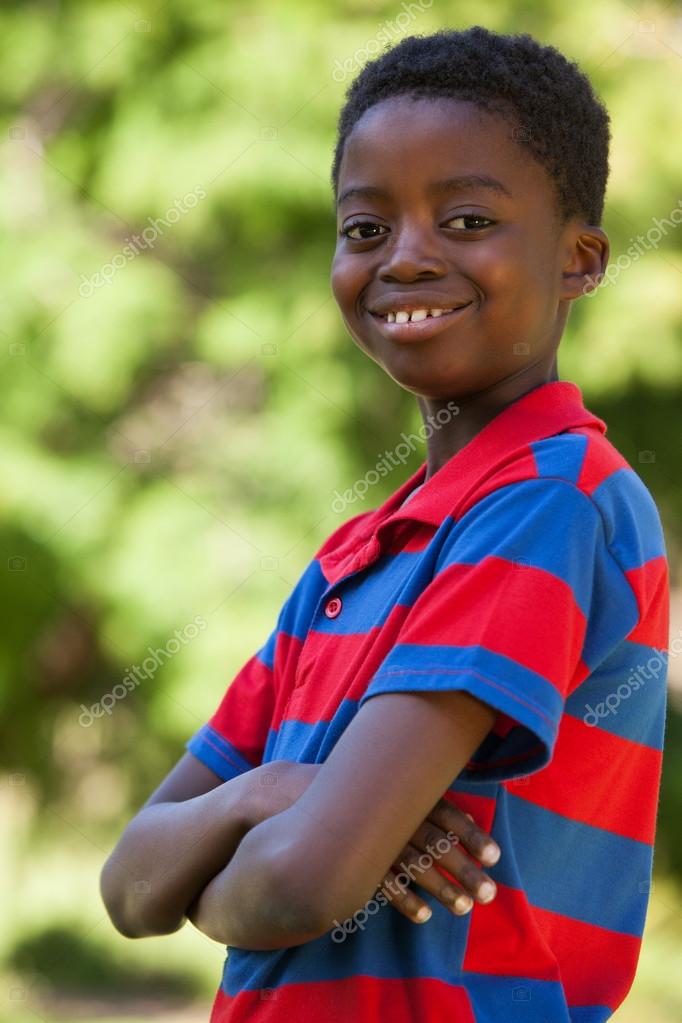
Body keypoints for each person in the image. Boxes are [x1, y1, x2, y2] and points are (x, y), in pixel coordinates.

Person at [100, 25, 670, 1022]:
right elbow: (129, 886)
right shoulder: (350, 561)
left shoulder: (549, 501)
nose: (406, 258)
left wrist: (259, 857)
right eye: (365, 229)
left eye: (464, 220)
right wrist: (266, 793)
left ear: (579, 260)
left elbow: (298, 889)